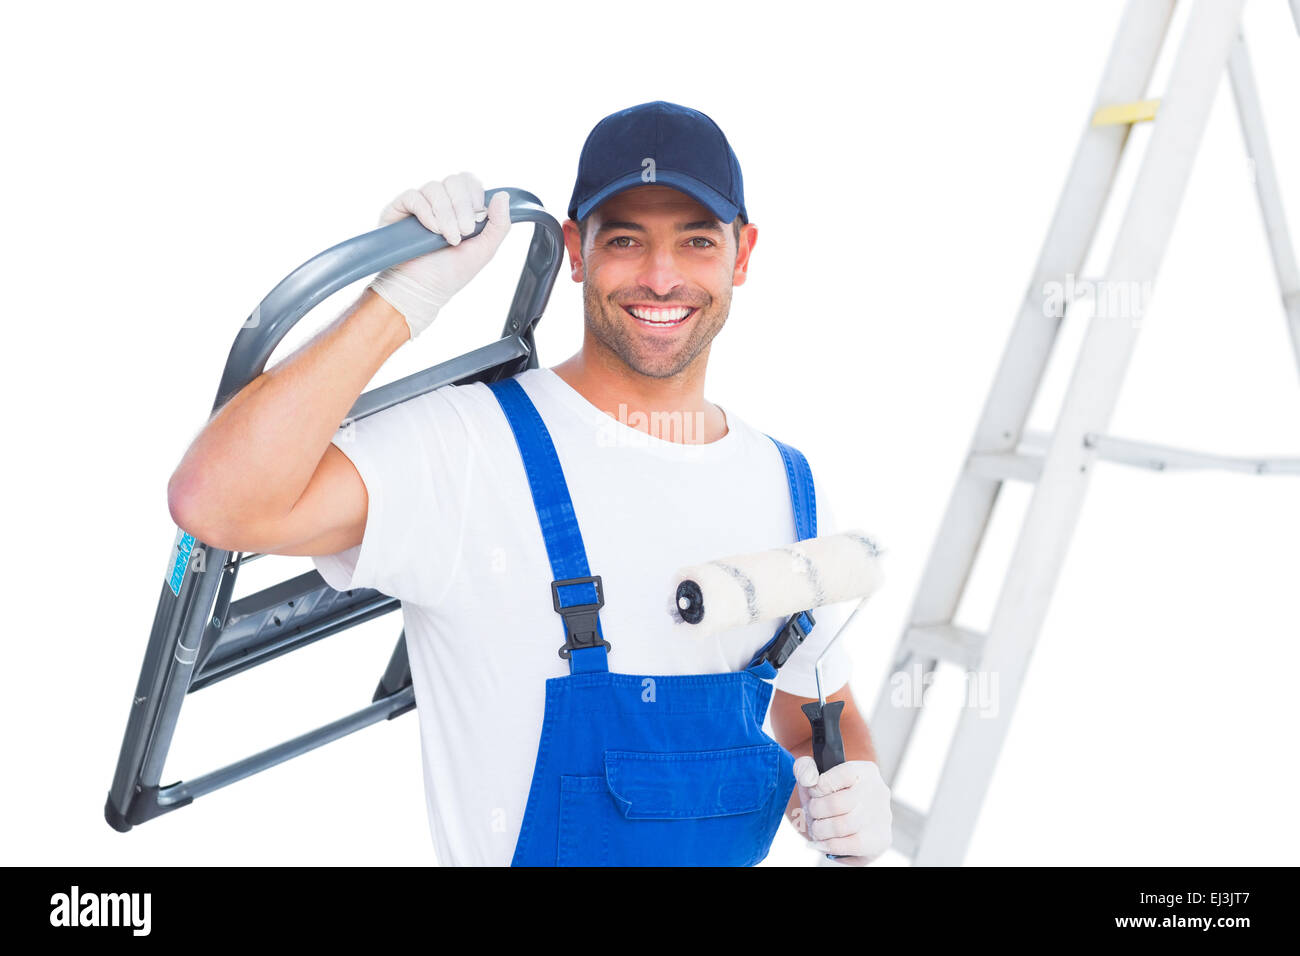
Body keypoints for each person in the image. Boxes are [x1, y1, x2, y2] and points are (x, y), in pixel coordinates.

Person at [168, 100, 892, 866]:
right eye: (624, 239)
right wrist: (400, 301)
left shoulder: (786, 485)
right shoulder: (468, 447)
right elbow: (217, 502)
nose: (660, 276)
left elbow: (819, 702)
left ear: (742, 255)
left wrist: (859, 798)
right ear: (575, 249)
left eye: (697, 240)